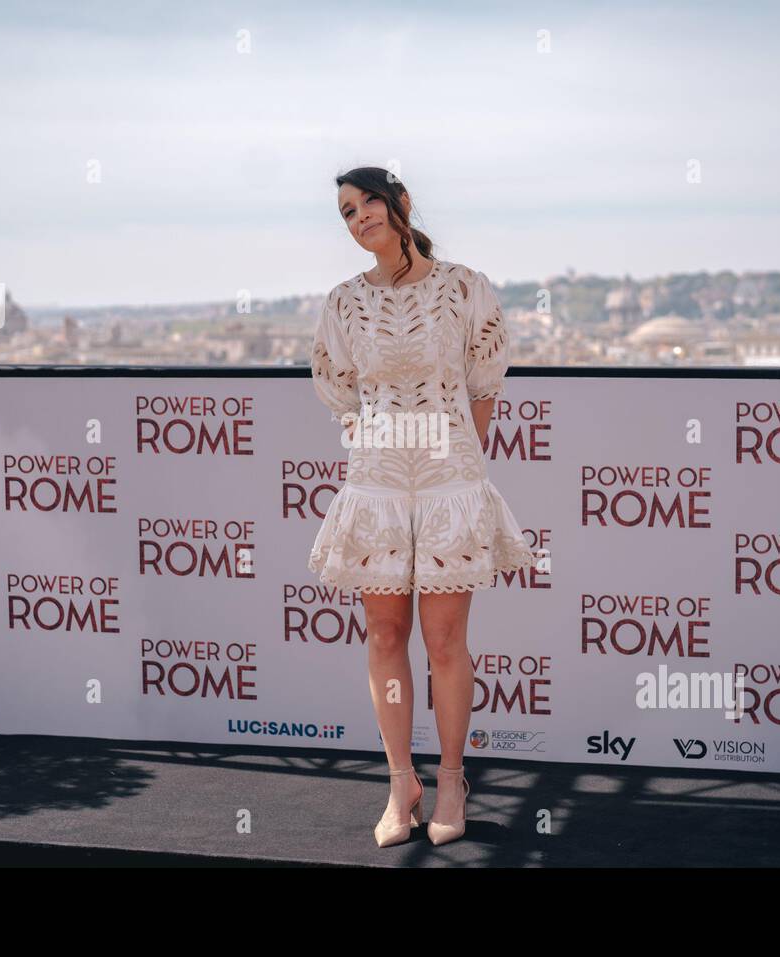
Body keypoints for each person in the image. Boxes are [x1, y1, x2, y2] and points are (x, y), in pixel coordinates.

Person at [307, 166, 535, 847]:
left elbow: (483, 385)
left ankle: (451, 779)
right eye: (346, 213)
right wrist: (375, 445)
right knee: (384, 637)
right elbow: (339, 388)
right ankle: (399, 779)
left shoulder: (466, 287)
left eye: (368, 202)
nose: (359, 218)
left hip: (448, 485)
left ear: (401, 203)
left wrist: (458, 462)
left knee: (444, 642)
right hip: (377, 486)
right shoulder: (342, 302)